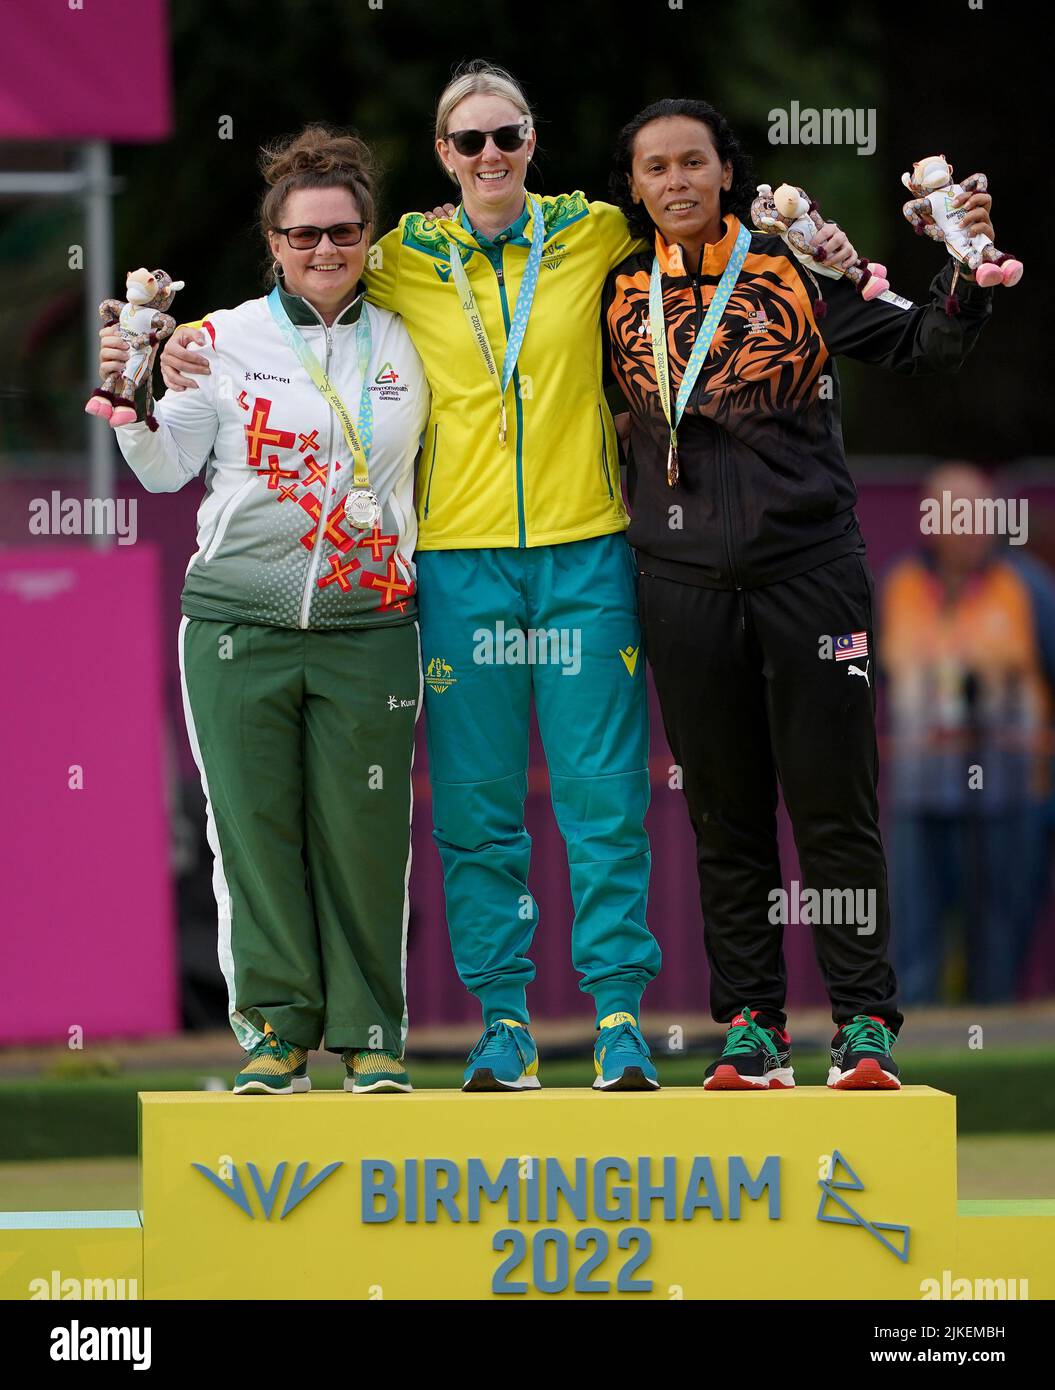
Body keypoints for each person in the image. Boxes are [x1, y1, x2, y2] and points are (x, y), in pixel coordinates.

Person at [163, 63, 667, 1092]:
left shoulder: (598, 234)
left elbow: (703, 232)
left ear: (533, 141)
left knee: (602, 798)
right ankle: (502, 1023)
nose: (489, 156)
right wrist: (178, 343)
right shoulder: (396, 260)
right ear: (442, 155)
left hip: (584, 552)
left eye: (506, 137)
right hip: (455, 562)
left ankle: (618, 1013)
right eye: (468, 141)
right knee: (476, 808)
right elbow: (290, 295)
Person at [604, 98, 996, 1089]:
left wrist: (964, 272)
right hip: (680, 579)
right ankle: (749, 1026)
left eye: (694, 162)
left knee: (832, 806)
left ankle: (863, 1022)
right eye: (656, 168)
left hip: (807, 570)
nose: (677, 182)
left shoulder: (793, 264)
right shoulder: (610, 290)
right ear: (635, 187)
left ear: (725, 173)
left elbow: (925, 344)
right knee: (722, 814)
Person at [98, 126, 430, 1095]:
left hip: (369, 624)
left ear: (369, 233)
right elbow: (162, 469)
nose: (323, 252)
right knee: (249, 832)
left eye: (342, 232)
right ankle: (276, 1032)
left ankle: (371, 1033)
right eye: (302, 235)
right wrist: (136, 388)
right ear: (272, 240)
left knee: (367, 834)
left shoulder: (414, 337)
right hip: (237, 625)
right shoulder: (219, 339)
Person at [881, 463, 1055, 1003]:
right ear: (929, 520)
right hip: (919, 796)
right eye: (955, 513)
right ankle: (914, 1062)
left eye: (979, 513)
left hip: (1009, 798)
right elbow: (857, 669)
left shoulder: (1028, 587)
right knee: (913, 950)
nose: (970, 525)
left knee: (998, 947)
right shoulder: (897, 586)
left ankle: (990, 1060)